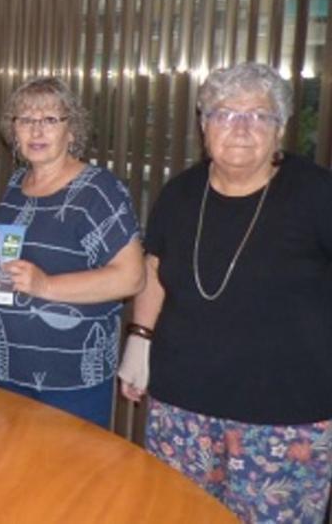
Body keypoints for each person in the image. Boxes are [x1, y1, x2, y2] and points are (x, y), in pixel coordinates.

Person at [118, 63, 332, 521]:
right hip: (181, 409)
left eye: (259, 115)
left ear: (281, 128)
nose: (241, 127)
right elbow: (155, 269)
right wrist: (139, 338)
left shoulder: (317, 195)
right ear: (203, 124)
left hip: (286, 419)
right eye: (225, 113)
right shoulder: (179, 194)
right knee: (177, 514)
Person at [0, 77, 144, 426]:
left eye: (50, 120)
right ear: (13, 131)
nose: (37, 130)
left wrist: (46, 286)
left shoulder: (98, 190)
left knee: (69, 477)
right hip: (8, 369)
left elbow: (131, 277)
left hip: (72, 380)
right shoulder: (17, 185)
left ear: (72, 130)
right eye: (25, 120)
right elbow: (9, 274)